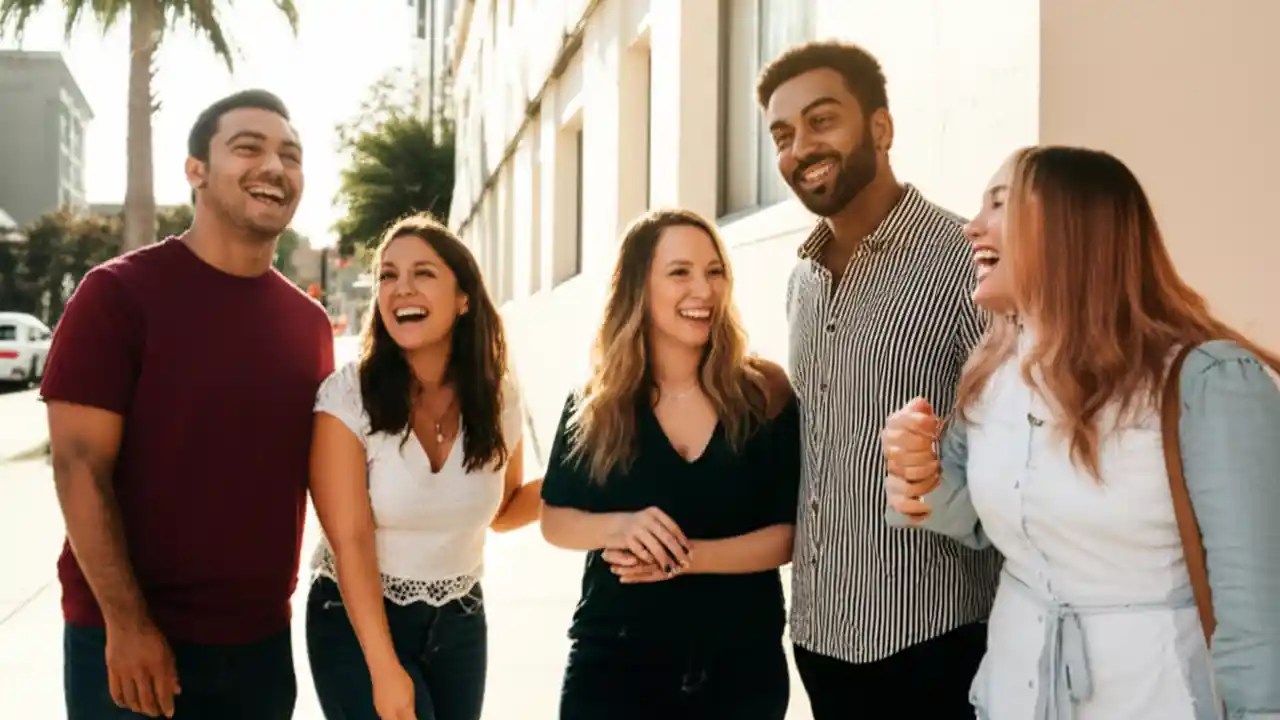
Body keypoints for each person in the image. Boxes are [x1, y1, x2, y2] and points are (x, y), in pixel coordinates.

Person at [881, 145, 1280, 718]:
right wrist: (914, 472)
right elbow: (969, 517)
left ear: (1075, 226)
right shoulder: (992, 373)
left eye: (1000, 203)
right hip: (1012, 698)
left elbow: (1259, 622)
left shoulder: (1208, 383)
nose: (972, 228)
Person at [41, 89, 333, 719]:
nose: (275, 167)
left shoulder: (308, 325)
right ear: (195, 170)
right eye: (247, 148)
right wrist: (128, 626)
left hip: (259, 649)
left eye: (290, 154)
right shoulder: (118, 295)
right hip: (132, 645)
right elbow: (77, 467)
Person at [754, 40, 1001, 716]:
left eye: (821, 119)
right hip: (820, 638)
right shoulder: (801, 281)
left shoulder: (967, 260)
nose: (800, 146)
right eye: (783, 134)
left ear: (881, 128)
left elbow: (1014, 447)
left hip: (937, 638)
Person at [539, 209, 800, 720]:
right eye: (680, 272)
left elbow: (790, 535)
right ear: (639, 286)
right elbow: (554, 519)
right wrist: (621, 526)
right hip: (612, 665)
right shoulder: (598, 400)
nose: (702, 289)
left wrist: (682, 558)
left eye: (714, 271)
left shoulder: (762, 392)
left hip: (739, 669)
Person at [305, 213, 541, 720]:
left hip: (459, 620)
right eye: (389, 275)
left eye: (423, 273)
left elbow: (505, 508)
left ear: (464, 299)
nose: (400, 288)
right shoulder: (347, 398)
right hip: (355, 619)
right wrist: (384, 668)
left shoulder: (497, 396)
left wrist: (587, 478)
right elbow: (351, 541)